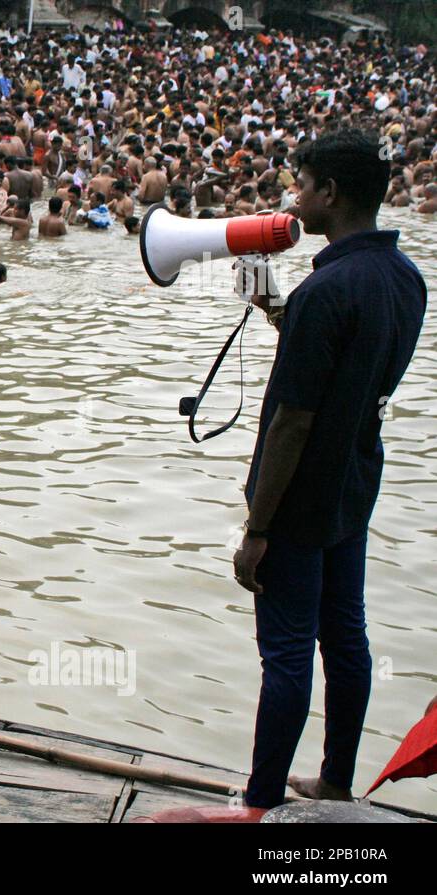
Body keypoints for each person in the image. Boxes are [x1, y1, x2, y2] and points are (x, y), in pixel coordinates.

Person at [234, 130, 427, 809]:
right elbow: (350, 366)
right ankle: (337, 778)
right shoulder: (405, 279)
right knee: (346, 636)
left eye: (302, 183)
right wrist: (276, 306)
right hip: (354, 484)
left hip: (297, 500)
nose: (295, 196)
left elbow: (292, 419)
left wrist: (257, 526)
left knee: (285, 654)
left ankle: (259, 803)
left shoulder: (327, 289)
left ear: (330, 194)